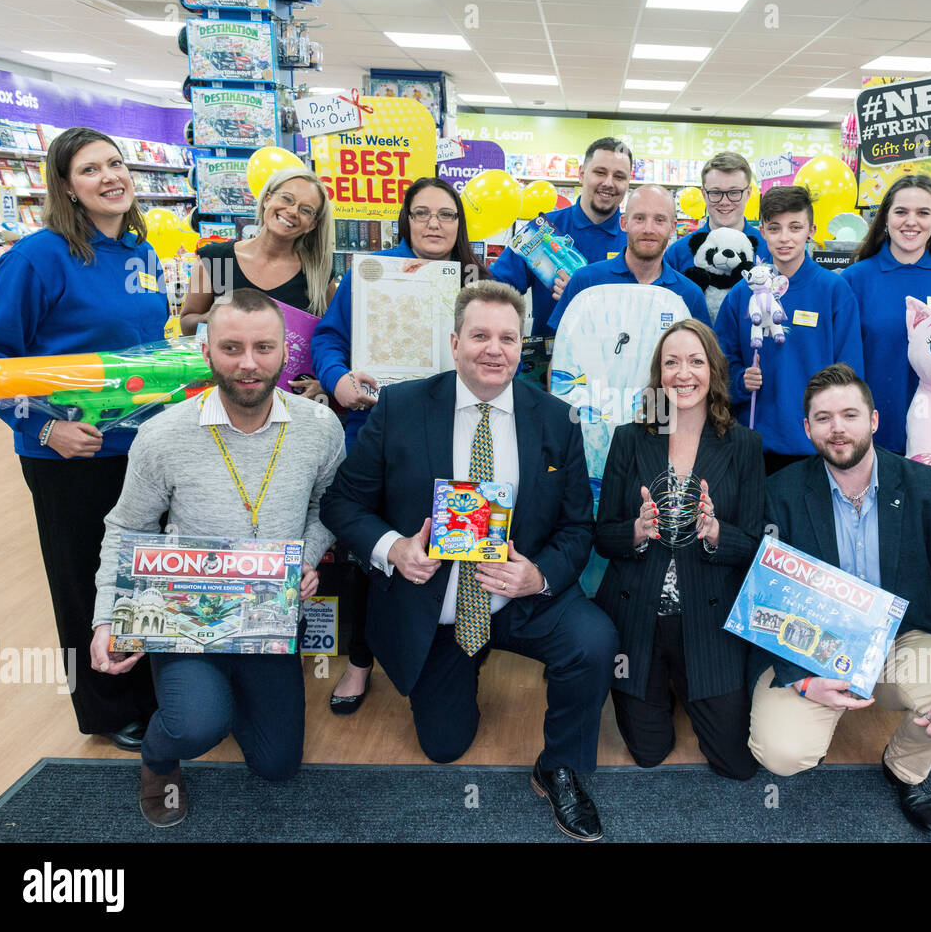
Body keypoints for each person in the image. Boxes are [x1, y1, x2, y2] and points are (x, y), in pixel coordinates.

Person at [320, 281, 618, 841]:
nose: (494, 349)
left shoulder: (557, 420)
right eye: (480, 335)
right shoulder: (402, 407)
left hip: (521, 597)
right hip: (437, 605)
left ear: (522, 346)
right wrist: (394, 549)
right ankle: (462, 666)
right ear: (455, 342)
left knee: (594, 641)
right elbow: (341, 502)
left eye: (508, 337)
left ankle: (561, 766)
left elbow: (580, 526)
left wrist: (539, 574)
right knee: (444, 747)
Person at [89, 289, 345, 827]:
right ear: (206, 351)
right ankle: (159, 758)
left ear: (284, 353)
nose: (248, 363)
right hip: (184, 618)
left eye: (263, 348)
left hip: (270, 619)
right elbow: (127, 527)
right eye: (231, 348)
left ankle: (226, 697)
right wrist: (108, 617)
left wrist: (309, 555)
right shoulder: (161, 436)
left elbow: (329, 508)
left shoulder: (321, 428)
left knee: (277, 765)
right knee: (196, 725)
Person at [0, 126, 167, 750]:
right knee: (84, 576)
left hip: (142, 447)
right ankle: (110, 709)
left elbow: (146, 347)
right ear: (66, 186)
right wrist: (44, 427)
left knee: (140, 572)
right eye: (91, 170)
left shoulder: (141, 250)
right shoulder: (35, 258)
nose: (111, 177)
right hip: (70, 453)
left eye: (116, 163)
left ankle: (154, 689)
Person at [746, 363, 931, 834]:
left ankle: (904, 768)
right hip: (815, 649)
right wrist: (803, 681)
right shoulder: (778, 493)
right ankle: (817, 708)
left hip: (904, 642)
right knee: (781, 752)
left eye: (849, 414)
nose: (837, 428)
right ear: (807, 428)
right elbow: (765, 602)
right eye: (823, 418)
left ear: (875, 420)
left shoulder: (930, 490)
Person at [311, 176, 491, 714]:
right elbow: (327, 338)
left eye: (446, 215)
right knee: (378, 552)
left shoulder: (476, 280)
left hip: (460, 433)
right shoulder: (370, 275)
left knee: (458, 539)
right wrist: (337, 379)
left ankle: (463, 644)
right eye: (421, 214)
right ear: (405, 220)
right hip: (382, 431)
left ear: (460, 224)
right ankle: (361, 661)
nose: (434, 224)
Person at [595, 319, 763, 780]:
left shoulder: (744, 445)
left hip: (709, 621)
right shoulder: (630, 439)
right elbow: (602, 535)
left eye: (695, 361)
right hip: (637, 616)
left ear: (713, 371)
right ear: (658, 374)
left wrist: (714, 532)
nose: (682, 373)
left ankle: (689, 685)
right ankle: (661, 687)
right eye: (671, 362)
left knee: (737, 765)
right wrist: (635, 530)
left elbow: (753, 544)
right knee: (649, 752)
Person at [837, 174, 931, 456]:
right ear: (885, 216)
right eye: (901, 212)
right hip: (877, 432)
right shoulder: (856, 279)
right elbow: (841, 359)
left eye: (923, 213)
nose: (911, 221)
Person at [715, 185, 863, 474]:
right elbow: (720, 360)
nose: (784, 238)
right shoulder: (741, 293)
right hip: (753, 443)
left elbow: (850, 370)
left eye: (795, 227)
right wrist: (740, 382)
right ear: (762, 231)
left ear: (811, 230)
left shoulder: (834, 290)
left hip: (817, 445)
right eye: (774, 228)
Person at [179, 167, 337, 400]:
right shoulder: (215, 260)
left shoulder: (318, 275)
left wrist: (325, 382)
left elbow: (332, 338)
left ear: (312, 224)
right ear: (267, 199)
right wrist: (213, 316)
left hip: (289, 403)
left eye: (306, 210)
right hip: (224, 396)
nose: (292, 211)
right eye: (287, 198)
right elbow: (187, 323)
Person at [489, 137, 632, 335]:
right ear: (582, 174)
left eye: (619, 176)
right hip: (550, 360)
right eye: (600, 172)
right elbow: (496, 290)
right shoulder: (541, 230)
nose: (608, 183)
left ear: (628, 182)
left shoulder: (633, 239)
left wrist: (583, 297)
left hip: (613, 358)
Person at [548, 184, 711, 330]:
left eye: (659, 220)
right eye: (639, 218)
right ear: (624, 223)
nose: (649, 229)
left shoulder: (690, 294)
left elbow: (701, 357)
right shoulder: (586, 281)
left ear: (672, 228)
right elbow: (562, 351)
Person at [662, 150, 770, 276]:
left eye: (734, 192)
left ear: (748, 193)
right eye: (716, 192)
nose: (724, 201)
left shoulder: (769, 248)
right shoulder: (677, 253)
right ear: (704, 194)